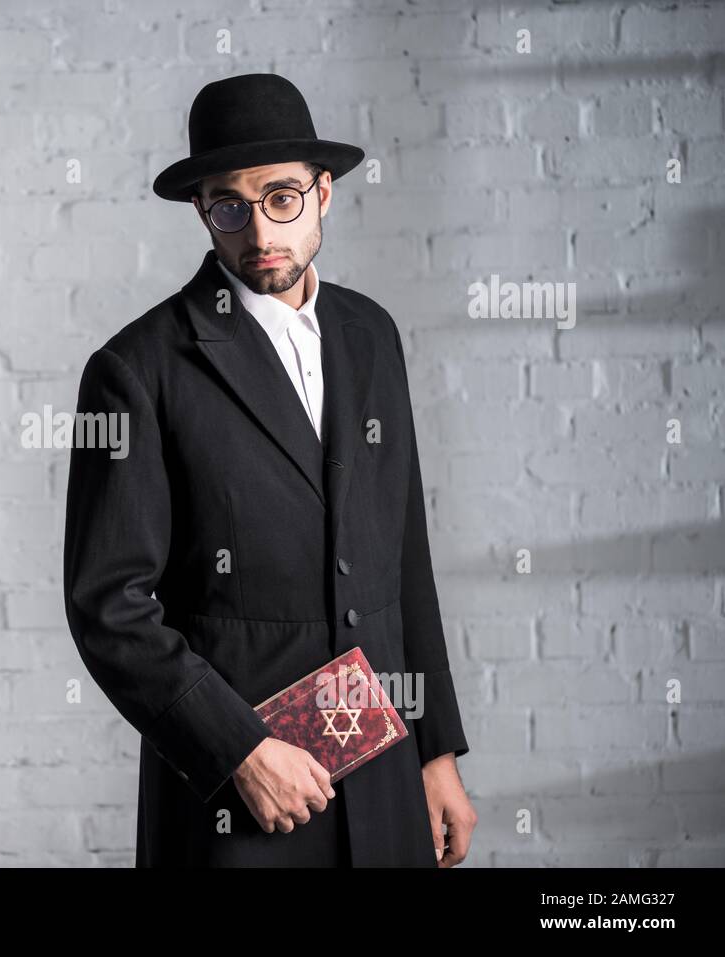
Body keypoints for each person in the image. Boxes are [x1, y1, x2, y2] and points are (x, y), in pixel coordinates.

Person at [62, 73, 477, 866]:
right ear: (201, 212)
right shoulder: (134, 370)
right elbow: (107, 606)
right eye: (230, 207)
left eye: (281, 198)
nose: (259, 233)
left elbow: (404, 560)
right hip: (241, 805)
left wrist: (435, 752)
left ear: (324, 193)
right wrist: (240, 750)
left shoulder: (371, 334)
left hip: (385, 769)